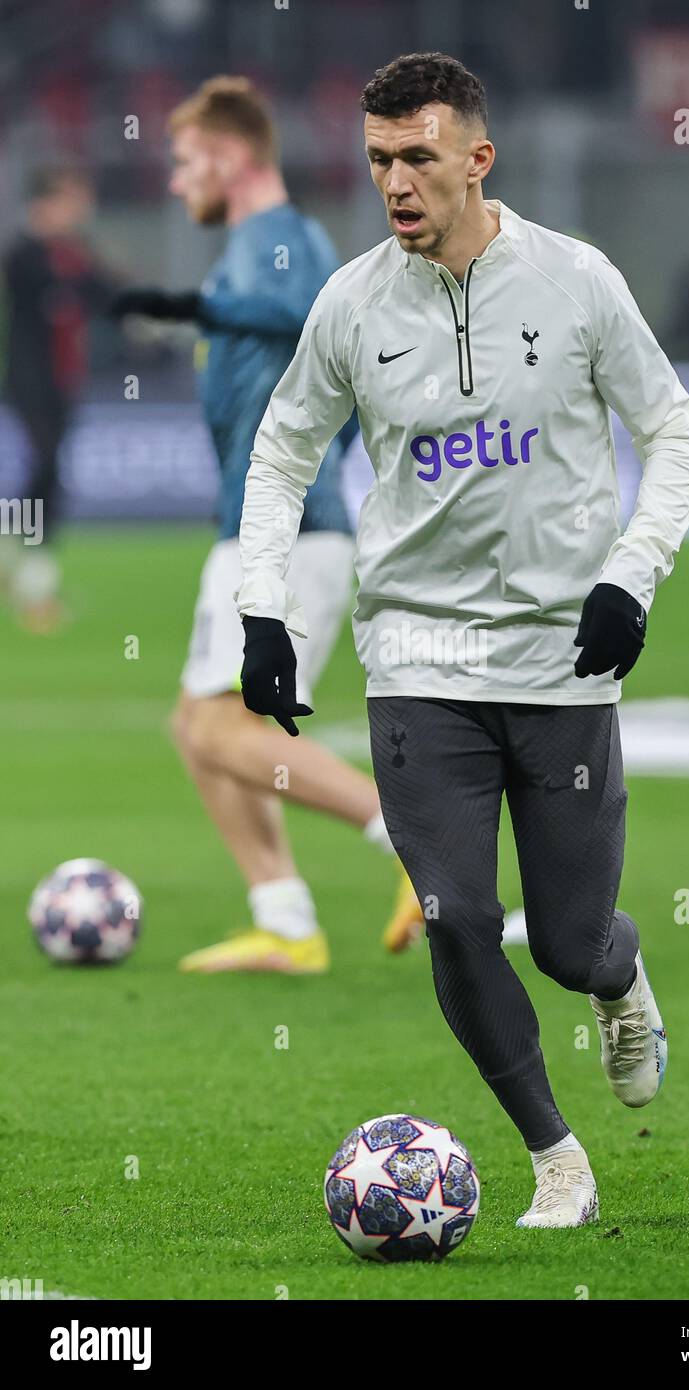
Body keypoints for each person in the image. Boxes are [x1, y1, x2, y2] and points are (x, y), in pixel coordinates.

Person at [235, 53, 689, 1227]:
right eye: (379, 159)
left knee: (565, 940)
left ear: (476, 160)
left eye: (419, 159)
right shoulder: (350, 302)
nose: (395, 182)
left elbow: (674, 433)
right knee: (451, 914)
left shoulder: (576, 282)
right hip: (417, 662)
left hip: (562, 662)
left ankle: (617, 973)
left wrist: (628, 580)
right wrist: (264, 608)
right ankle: (556, 1156)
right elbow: (284, 449)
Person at [113, 76, 422, 974]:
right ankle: (286, 919)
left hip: (285, 526)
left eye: (182, 163)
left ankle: (416, 853)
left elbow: (307, 317)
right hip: (262, 526)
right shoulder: (259, 246)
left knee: (220, 730)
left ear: (227, 156)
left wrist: (195, 308)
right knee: (196, 723)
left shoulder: (280, 240)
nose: (176, 184)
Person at [1, 167, 115, 631]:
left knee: (49, 473)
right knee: (45, 464)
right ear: (49, 202)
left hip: (65, 378)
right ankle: (31, 574)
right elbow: (43, 292)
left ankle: (22, 558)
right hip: (29, 379)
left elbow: (106, 291)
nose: (81, 210)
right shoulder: (25, 252)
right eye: (73, 199)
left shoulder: (74, 254)